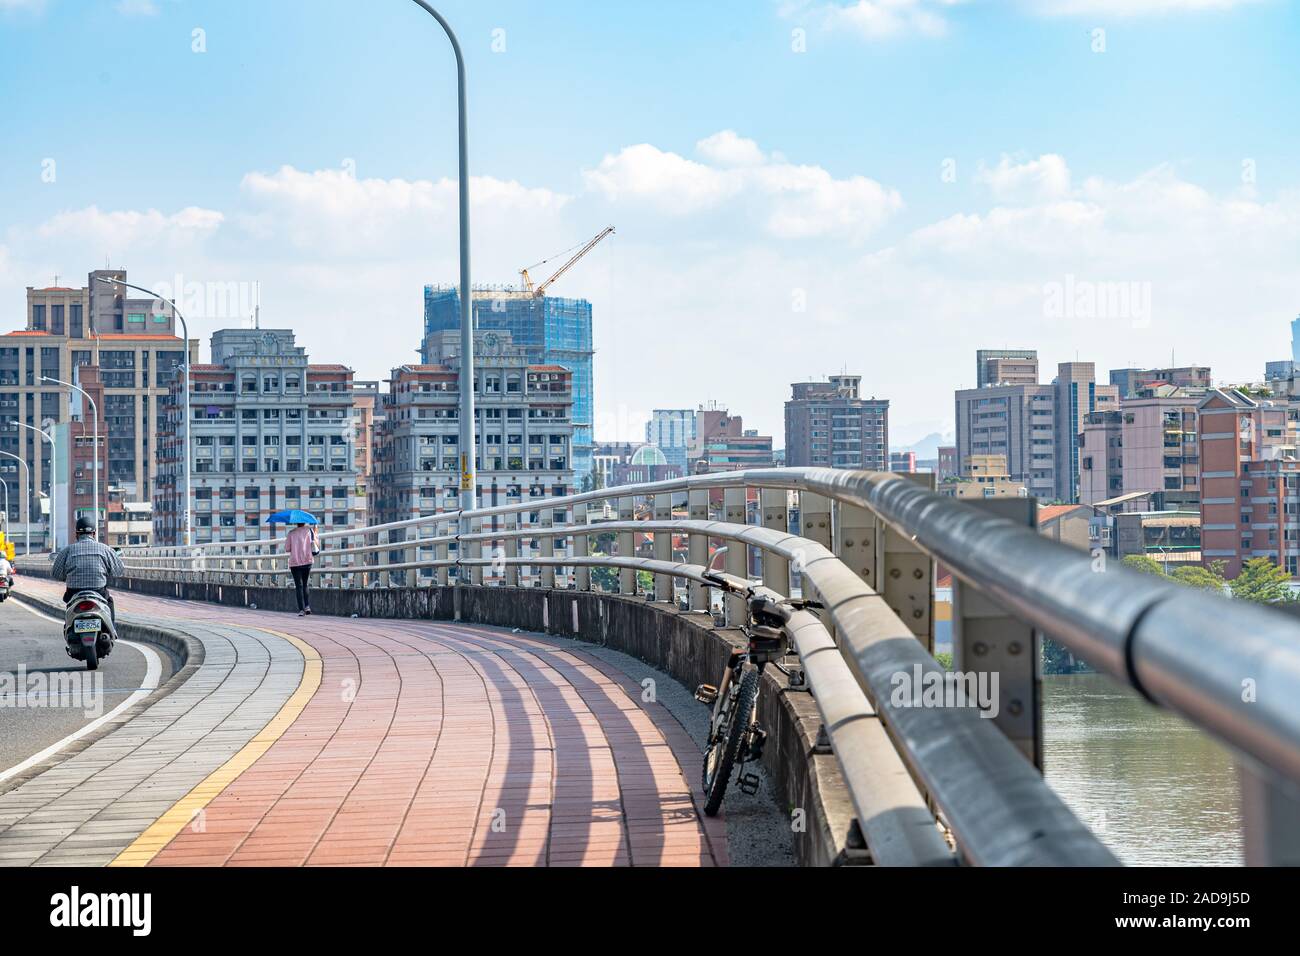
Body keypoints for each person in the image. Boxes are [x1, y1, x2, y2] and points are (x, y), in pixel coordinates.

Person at [51, 516, 124, 623]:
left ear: (76, 534)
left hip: (74, 593)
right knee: (109, 602)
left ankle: (69, 626)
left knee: (69, 604)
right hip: (98, 591)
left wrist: (66, 576)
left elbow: (56, 574)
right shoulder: (105, 549)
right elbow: (119, 571)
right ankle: (112, 631)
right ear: (94, 533)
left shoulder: (67, 551)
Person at [285, 522, 319, 616]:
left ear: (296, 522)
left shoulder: (291, 533)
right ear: (304, 522)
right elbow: (316, 543)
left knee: (298, 586)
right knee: (305, 584)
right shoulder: (309, 531)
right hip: (307, 561)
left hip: (295, 563)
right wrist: (315, 531)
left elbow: (287, 548)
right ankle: (307, 606)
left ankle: (301, 610)